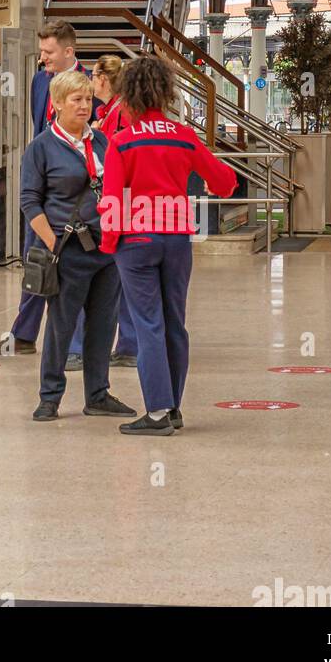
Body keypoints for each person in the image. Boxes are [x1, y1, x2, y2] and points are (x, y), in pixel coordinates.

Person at [98, 55, 238, 436]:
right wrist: (214, 183)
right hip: (177, 239)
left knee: (148, 324)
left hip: (136, 239)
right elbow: (225, 181)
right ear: (166, 92)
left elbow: (111, 199)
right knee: (175, 322)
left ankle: (157, 413)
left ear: (127, 94)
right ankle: (173, 406)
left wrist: (110, 245)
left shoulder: (122, 142)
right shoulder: (183, 135)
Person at [23, 69, 136, 423]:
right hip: (68, 249)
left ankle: (98, 394)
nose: (85, 106)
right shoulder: (41, 146)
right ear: (57, 104)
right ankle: (50, 396)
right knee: (61, 325)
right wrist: (53, 240)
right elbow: (30, 201)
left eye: (88, 99)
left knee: (103, 324)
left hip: (106, 247)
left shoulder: (103, 142)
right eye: (76, 100)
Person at [0, 22, 85, 356]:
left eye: (49, 53)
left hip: (74, 190)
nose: (43, 59)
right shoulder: (40, 80)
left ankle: (76, 344)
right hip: (43, 180)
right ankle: (23, 334)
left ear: (68, 52)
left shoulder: (88, 86)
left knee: (76, 265)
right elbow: (39, 126)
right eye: (41, 52)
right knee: (36, 258)